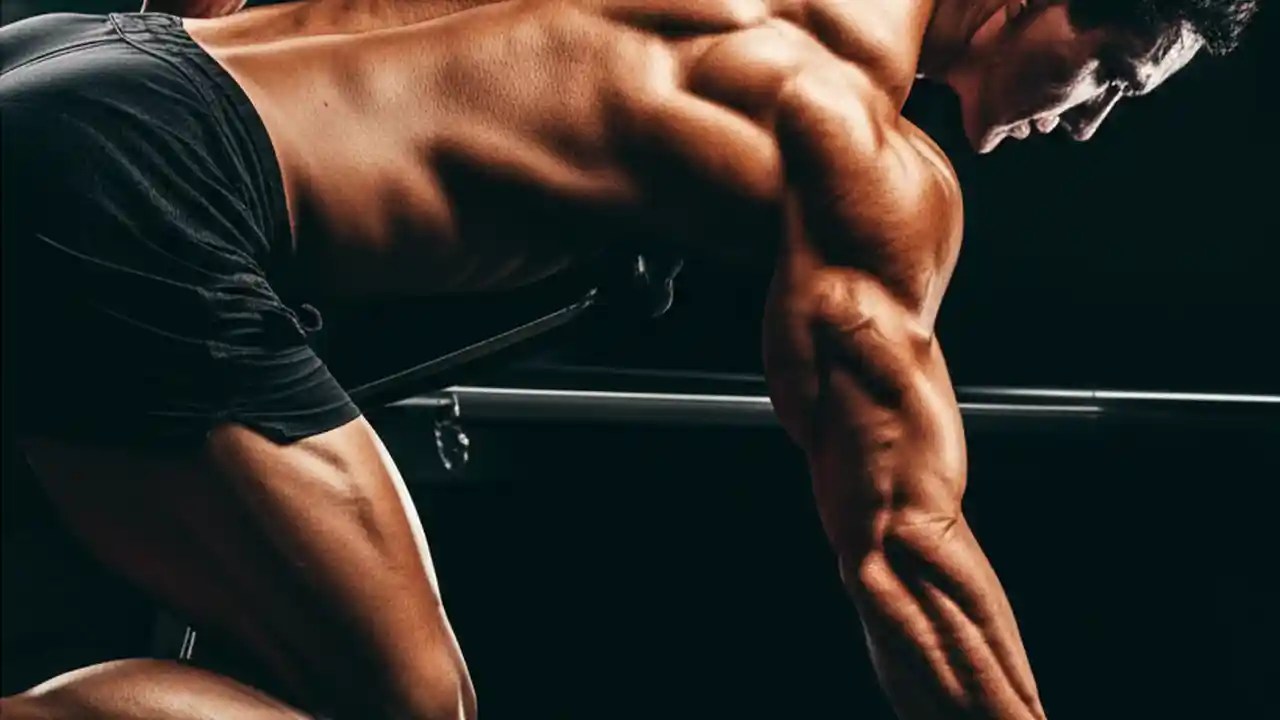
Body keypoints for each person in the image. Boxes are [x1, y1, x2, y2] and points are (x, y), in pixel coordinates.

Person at [0, 0, 1255, 718]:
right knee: (408, 710)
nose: (1088, 119)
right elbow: (902, 546)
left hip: (66, 63)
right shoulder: (845, 133)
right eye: (1111, 74)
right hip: (148, 179)